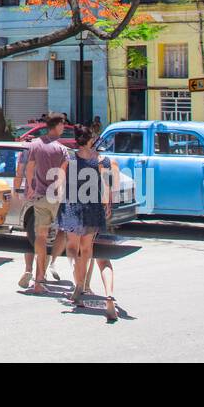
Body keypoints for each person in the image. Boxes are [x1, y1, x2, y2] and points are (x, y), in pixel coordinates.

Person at [55, 127, 117, 310]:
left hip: (72, 206)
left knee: (73, 248)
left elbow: (59, 182)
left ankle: (79, 283)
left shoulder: (69, 158)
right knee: (86, 248)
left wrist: (60, 197)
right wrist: (107, 205)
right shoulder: (100, 159)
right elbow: (106, 186)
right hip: (92, 207)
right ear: (91, 139)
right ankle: (82, 285)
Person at [17, 113, 69, 293]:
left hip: (39, 195)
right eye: (62, 125)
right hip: (55, 196)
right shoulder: (62, 150)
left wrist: (30, 186)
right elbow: (62, 176)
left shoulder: (35, 145)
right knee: (62, 232)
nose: (64, 128)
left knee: (40, 236)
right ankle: (49, 266)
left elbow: (29, 168)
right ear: (56, 126)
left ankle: (37, 276)